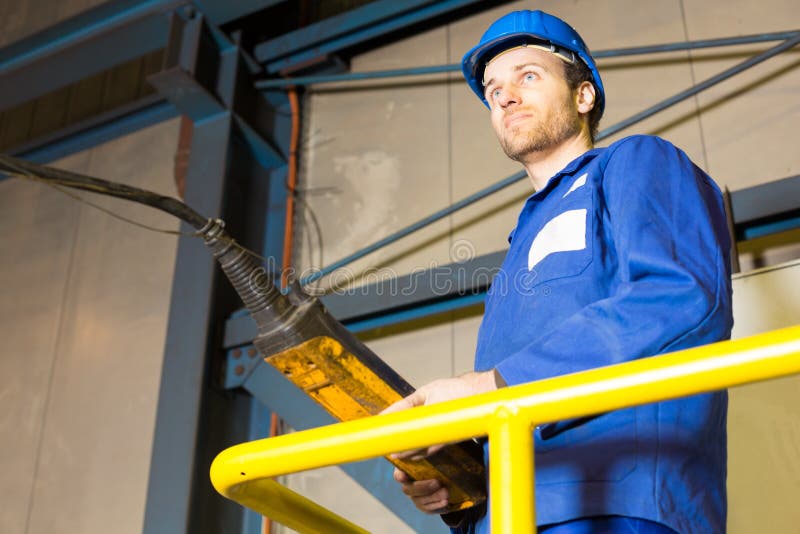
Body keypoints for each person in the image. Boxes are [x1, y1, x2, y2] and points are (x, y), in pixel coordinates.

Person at [383, 9, 733, 534]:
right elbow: (508, 406)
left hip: (620, 503)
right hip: (512, 516)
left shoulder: (636, 162)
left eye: (527, 76)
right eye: (493, 90)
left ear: (583, 95)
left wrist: (492, 387)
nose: (505, 97)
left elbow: (681, 299)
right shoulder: (516, 255)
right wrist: (459, 483)